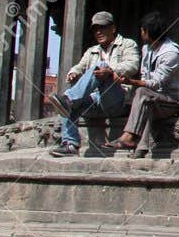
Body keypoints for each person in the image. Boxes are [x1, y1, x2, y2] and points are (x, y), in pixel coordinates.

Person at [48, 11, 140, 157]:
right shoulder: (92, 51)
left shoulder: (127, 44)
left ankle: (68, 99)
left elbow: (132, 65)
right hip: (95, 102)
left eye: (102, 28)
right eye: (95, 29)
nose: (98, 32)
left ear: (113, 28)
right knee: (67, 105)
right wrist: (74, 73)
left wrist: (109, 71)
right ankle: (70, 145)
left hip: (117, 100)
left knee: (101, 66)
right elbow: (79, 66)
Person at [109, 11, 179, 155]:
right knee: (144, 101)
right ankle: (141, 147)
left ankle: (128, 136)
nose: (140, 32)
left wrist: (131, 81)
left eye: (142, 29)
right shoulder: (146, 49)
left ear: (147, 32)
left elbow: (156, 83)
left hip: (171, 101)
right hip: (152, 99)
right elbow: (145, 74)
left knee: (142, 93)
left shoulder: (171, 53)